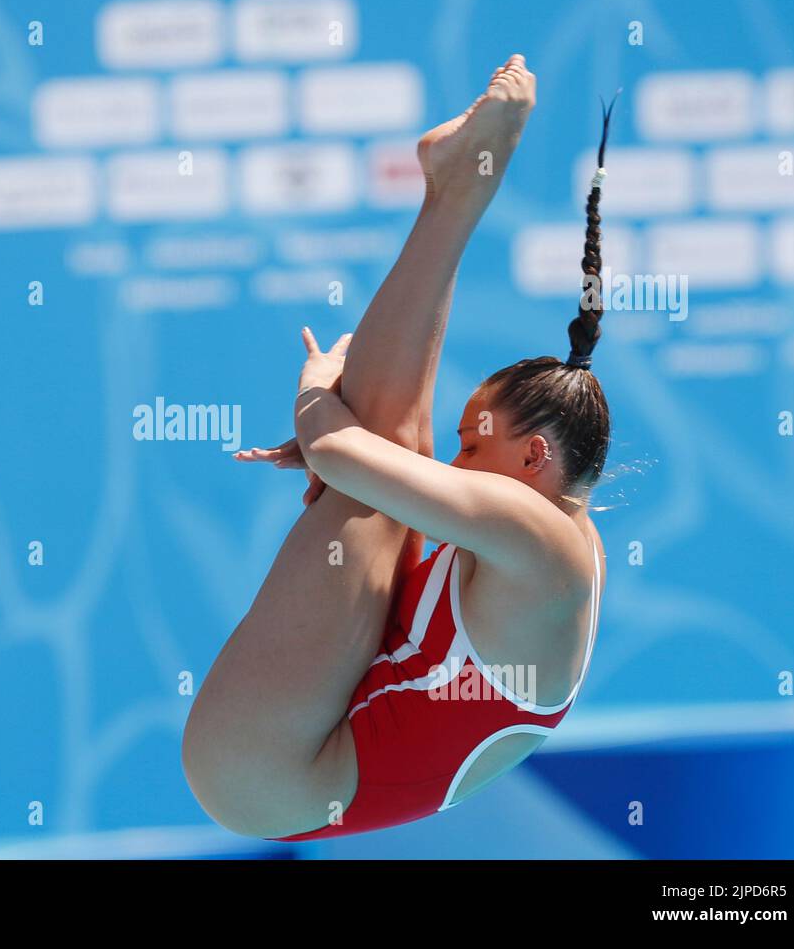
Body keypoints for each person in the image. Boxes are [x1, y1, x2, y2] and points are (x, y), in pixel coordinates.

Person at [181, 54, 614, 840]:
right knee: (383, 445)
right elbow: (359, 460)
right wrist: (336, 444)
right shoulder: (554, 540)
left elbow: (352, 456)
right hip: (318, 734)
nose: (451, 467)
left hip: (267, 771)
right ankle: (457, 184)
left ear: (534, 460)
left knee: (377, 442)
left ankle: (460, 186)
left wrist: (319, 391)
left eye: (471, 448)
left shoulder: (542, 543)